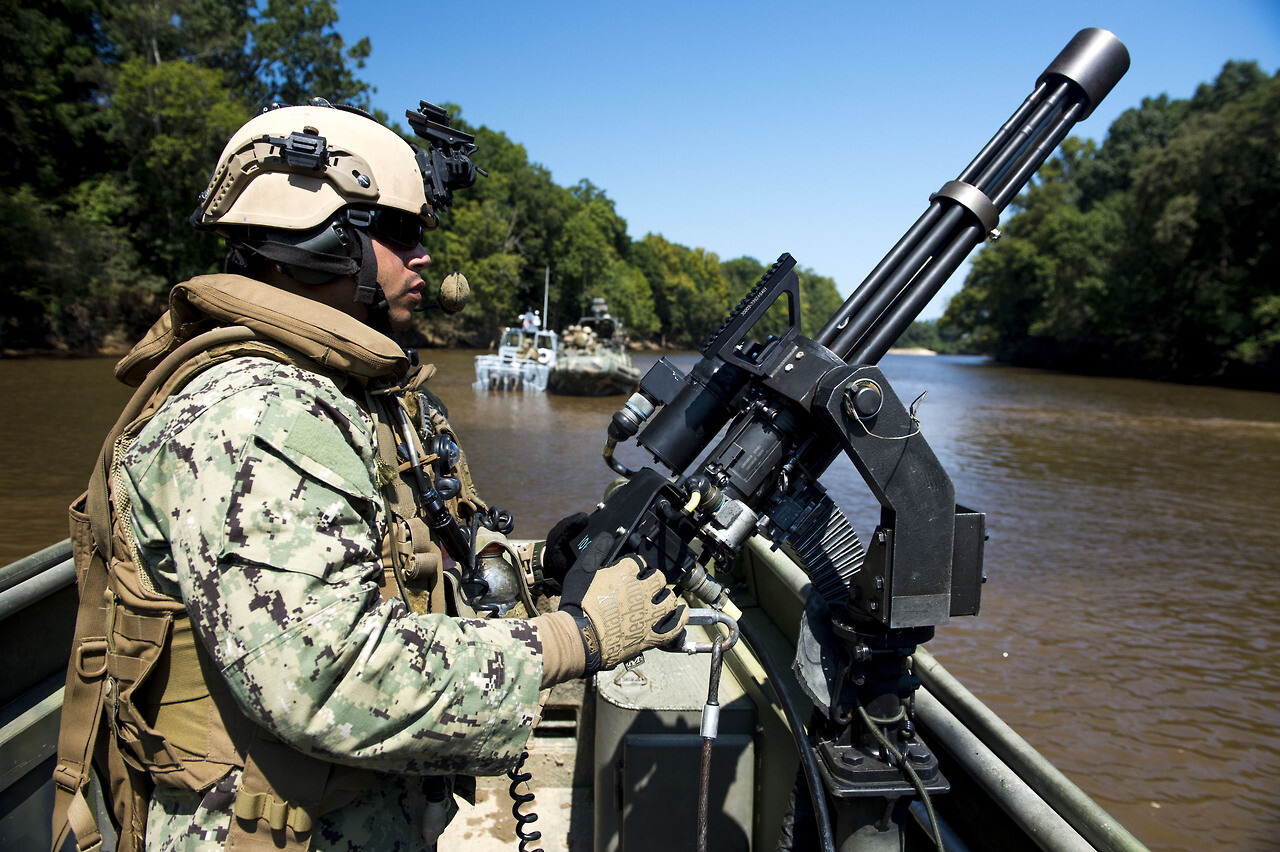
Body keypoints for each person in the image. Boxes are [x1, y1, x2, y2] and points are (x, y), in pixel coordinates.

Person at [51, 99, 686, 852]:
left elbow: (402, 565)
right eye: (400, 232)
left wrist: (541, 569)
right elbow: (326, 679)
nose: (424, 258)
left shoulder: (353, 396)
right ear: (314, 236)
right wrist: (577, 637)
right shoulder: (258, 413)